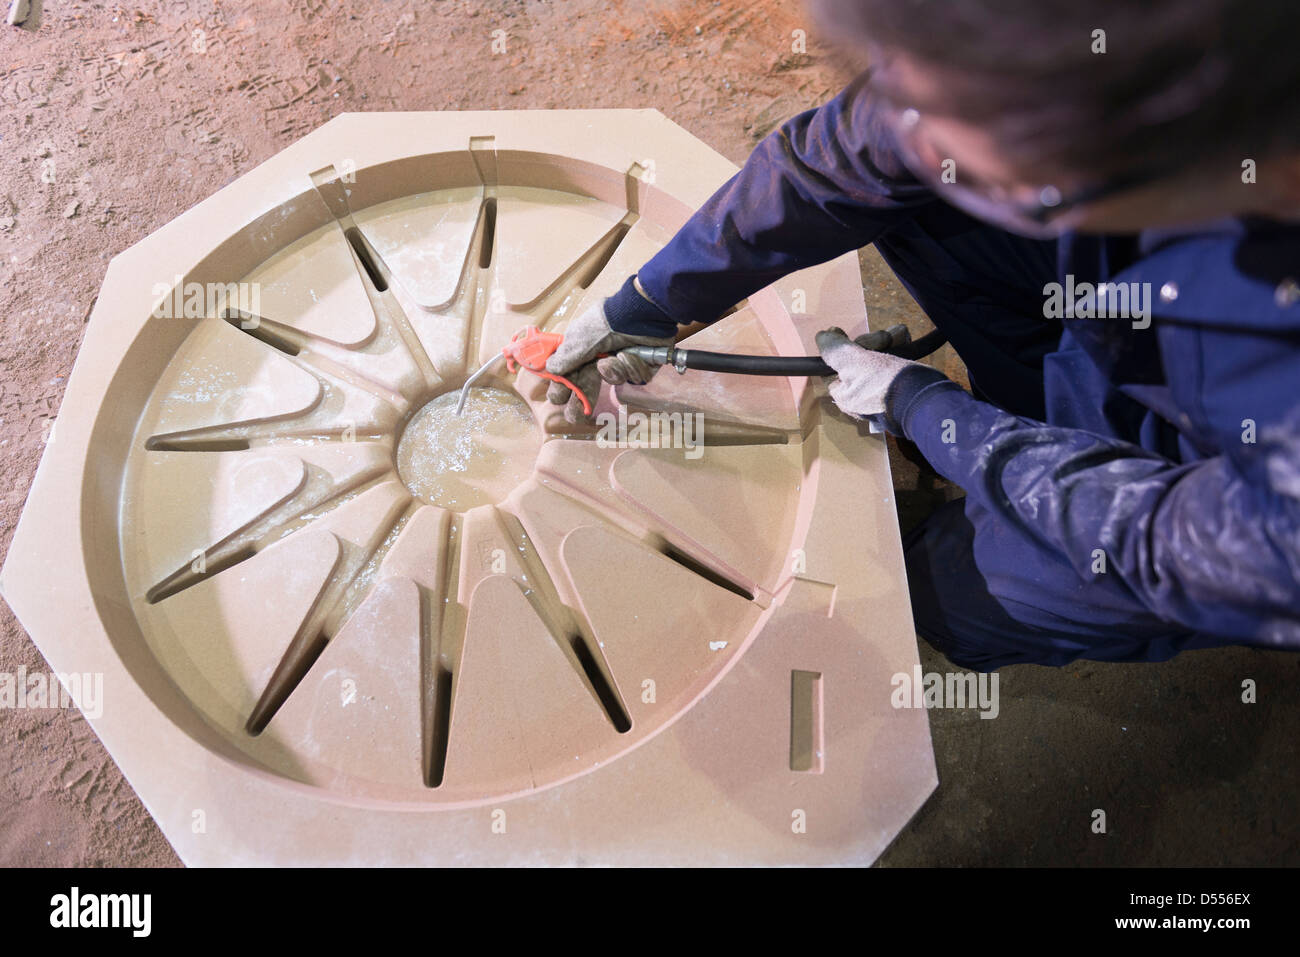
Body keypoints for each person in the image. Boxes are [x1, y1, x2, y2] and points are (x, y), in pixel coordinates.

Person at [543, 0, 1300, 670]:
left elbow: (1169, 546)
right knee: (924, 193)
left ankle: (988, 532)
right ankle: (1038, 399)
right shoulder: (1068, 49)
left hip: (1206, 499)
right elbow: (838, 165)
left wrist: (933, 412)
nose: (909, 123)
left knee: (955, 591)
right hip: (1141, 284)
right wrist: (642, 301)